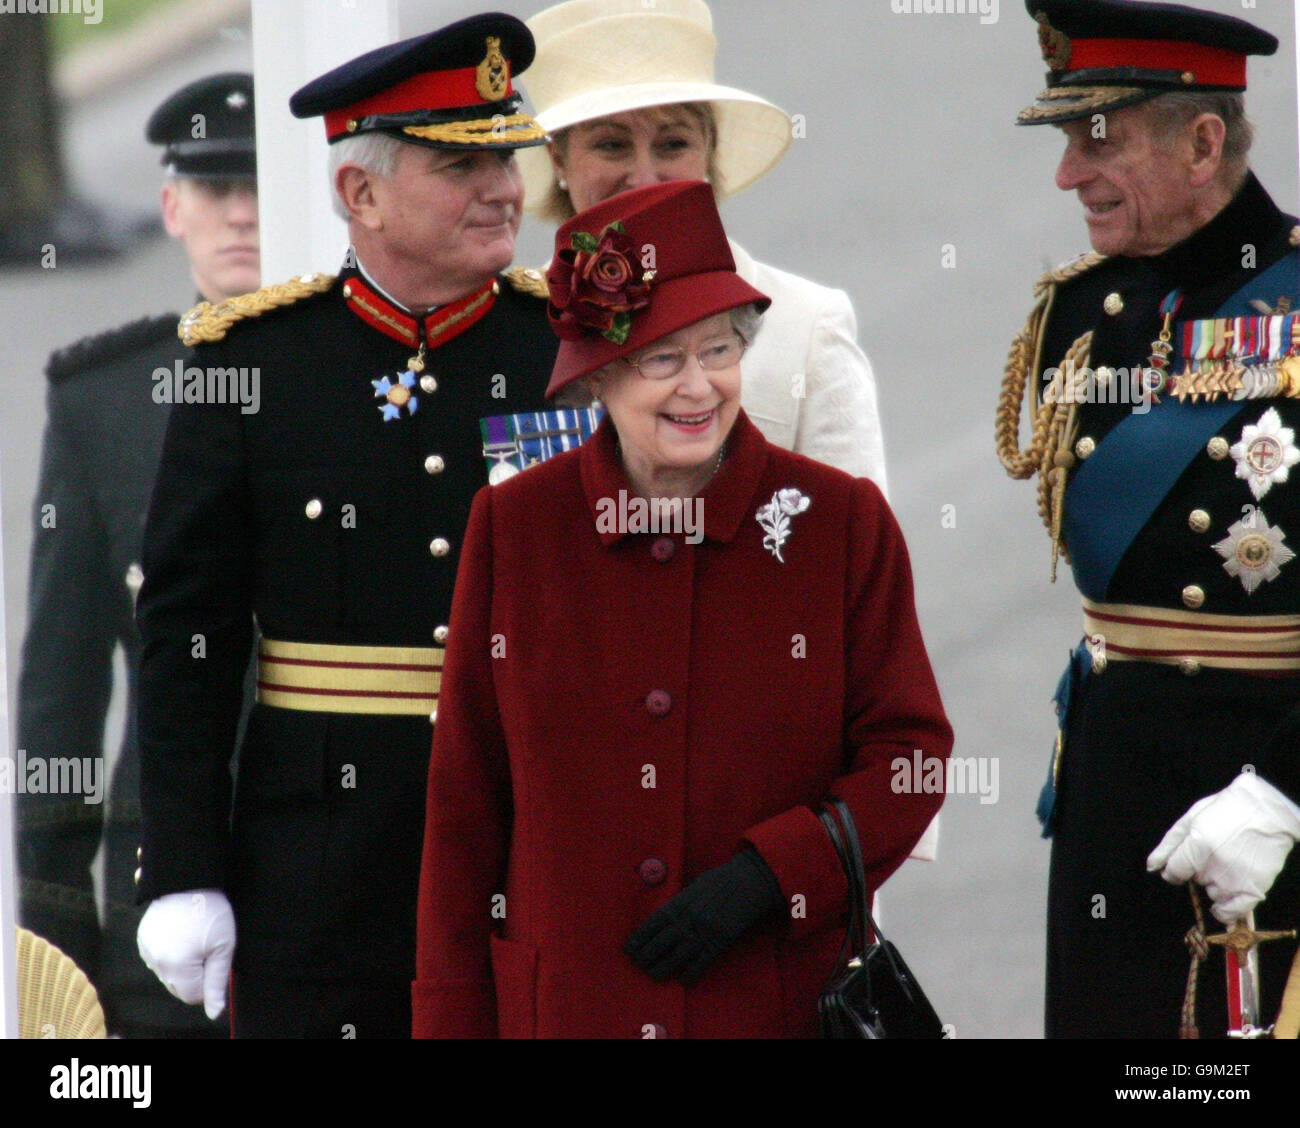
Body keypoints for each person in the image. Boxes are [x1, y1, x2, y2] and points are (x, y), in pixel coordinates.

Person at [413, 180, 952, 1038]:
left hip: (770, 1005)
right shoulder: (516, 526)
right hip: (571, 1010)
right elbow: (465, 803)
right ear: (600, 377)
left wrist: (773, 876)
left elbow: (911, 757)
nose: (698, 388)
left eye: (719, 349)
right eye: (663, 358)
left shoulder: (837, 522)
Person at [132, 15, 559, 1039]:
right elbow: (187, 636)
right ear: (358, 192)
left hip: (533, 848)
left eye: (507, 155)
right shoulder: (257, 366)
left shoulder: (565, 349)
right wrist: (185, 869)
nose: (505, 188)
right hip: (317, 877)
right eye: (462, 164)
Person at [996, 0, 1300, 1037]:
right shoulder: (1081, 316)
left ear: (1202, 141)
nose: (1068, 175)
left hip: (1266, 794)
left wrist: (1282, 797)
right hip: (1114, 792)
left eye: (1098, 140)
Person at [15, 72, 259, 1039]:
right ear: (171, 208)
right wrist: (60, 947)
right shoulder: (103, 400)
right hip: (155, 904)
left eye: (260, 184)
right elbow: (60, 702)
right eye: (213, 190)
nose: (240, 214)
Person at [514, 0, 888, 490]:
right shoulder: (513, 325)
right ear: (557, 160)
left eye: (673, 144)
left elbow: (857, 546)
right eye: (611, 145)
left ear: (710, 152)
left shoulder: (807, 326)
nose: (644, 176)